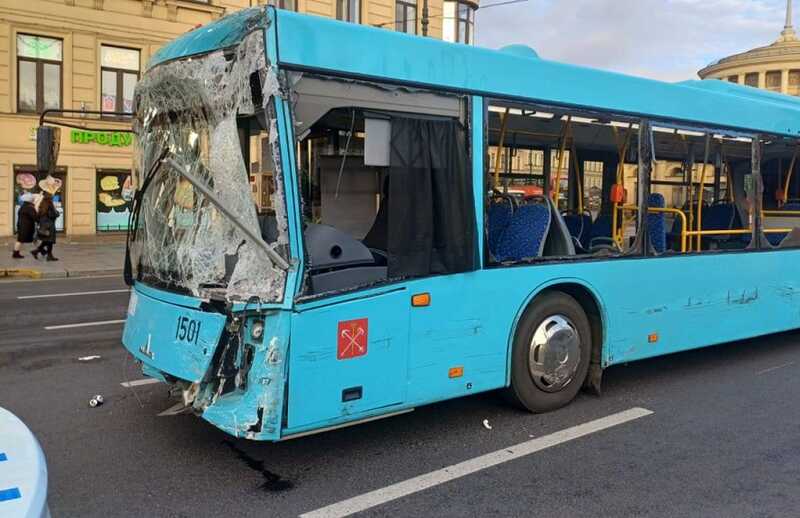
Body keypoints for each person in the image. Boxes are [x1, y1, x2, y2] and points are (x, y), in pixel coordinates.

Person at [32, 192, 59, 261]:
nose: (53, 197)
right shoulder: (50, 204)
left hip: (44, 226)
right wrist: (57, 212)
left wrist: (41, 223)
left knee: (47, 241)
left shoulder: (42, 204)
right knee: (49, 241)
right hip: (49, 226)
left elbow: (38, 216)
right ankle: (42, 253)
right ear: (50, 197)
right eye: (52, 196)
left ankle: (44, 254)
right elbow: (52, 215)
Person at [12, 193, 37, 259]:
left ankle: (15, 253)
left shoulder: (22, 207)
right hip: (27, 227)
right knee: (22, 240)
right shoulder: (30, 207)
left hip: (21, 226)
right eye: (32, 199)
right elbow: (35, 217)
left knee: (20, 240)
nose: (33, 200)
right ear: (30, 200)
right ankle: (40, 250)